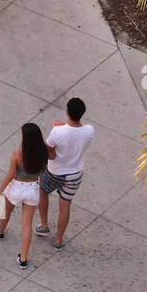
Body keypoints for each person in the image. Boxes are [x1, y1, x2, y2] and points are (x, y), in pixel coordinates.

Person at [36, 97, 94, 250]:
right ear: (82, 113)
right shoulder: (89, 130)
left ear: (67, 112)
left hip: (55, 172)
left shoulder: (57, 132)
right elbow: (75, 133)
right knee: (65, 205)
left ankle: (43, 225)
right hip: (75, 174)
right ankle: (58, 240)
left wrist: (58, 127)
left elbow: (48, 148)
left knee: (42, 191)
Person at [0, 123, 46, 269]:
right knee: (27, 224)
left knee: (5, 212)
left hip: (17, 187)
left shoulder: (18, 154)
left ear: (25, 137)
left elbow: (10, 175)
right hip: (33, 189)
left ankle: (0, 231)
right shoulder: (44, 152)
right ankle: (23, 258)